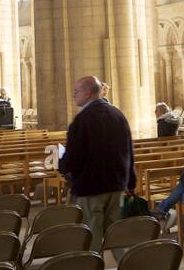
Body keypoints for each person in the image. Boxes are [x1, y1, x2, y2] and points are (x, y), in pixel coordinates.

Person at [58, 75, 135, 251]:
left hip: (91, 188)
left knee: (91, 234)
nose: (74, 95)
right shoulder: (118, 115)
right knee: (116, 233)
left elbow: (73, 156)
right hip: (116, 185)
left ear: (88, 93)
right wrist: (130, 182)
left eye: (76, 91)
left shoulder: (82, 119)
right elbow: (129, 151)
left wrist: (63, 167)